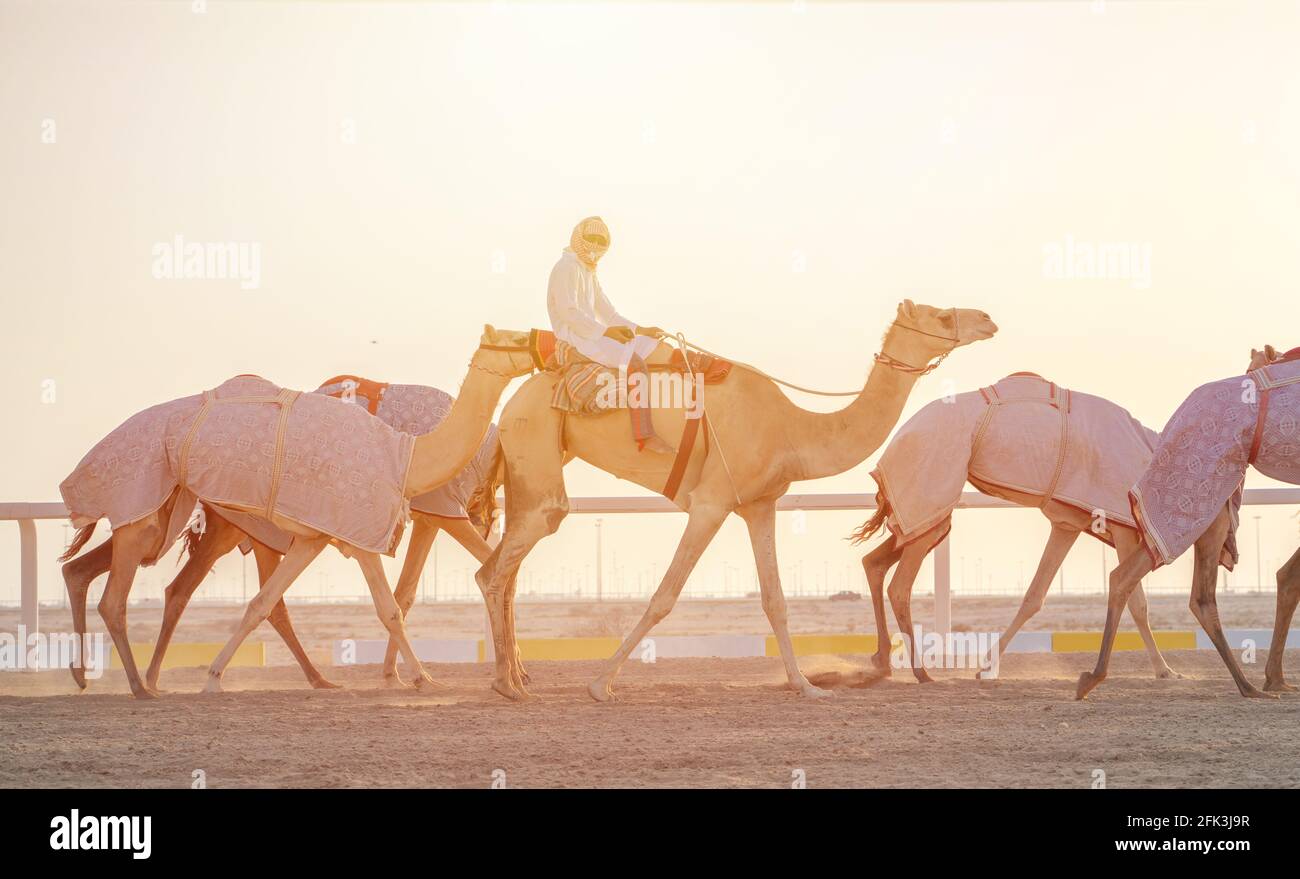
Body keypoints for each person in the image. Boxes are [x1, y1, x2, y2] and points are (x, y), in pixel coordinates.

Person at [547, 216, 675, 454]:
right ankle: (645, 435)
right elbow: (569, 313)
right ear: (579, 237)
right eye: (591, 238)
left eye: (600, 239)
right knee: (635, 362)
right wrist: (606, 332)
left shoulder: (587, 271)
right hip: (577, 337)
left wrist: (641, 330)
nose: (595, 244)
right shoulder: (567, 268)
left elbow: (608, 313)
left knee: (649, 345)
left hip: (594, 333)